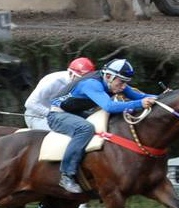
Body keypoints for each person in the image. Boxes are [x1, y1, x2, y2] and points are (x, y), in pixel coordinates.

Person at [48, 58, 158, 193]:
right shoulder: (91, 84)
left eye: (126, 82)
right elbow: (109, 106)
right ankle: (66, 175)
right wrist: (139, 104)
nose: (124, 87)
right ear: (108, 76)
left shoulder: (113, 81)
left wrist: (166, 97)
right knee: (85, 128)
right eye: (121, 82)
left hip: (77, 113)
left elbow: (140, 96)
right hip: (57, 115)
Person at [23, 57, 97, 130]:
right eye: (81, 79)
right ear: (71, 73)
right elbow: (29, 103)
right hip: (38, 117)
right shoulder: (52, 81)